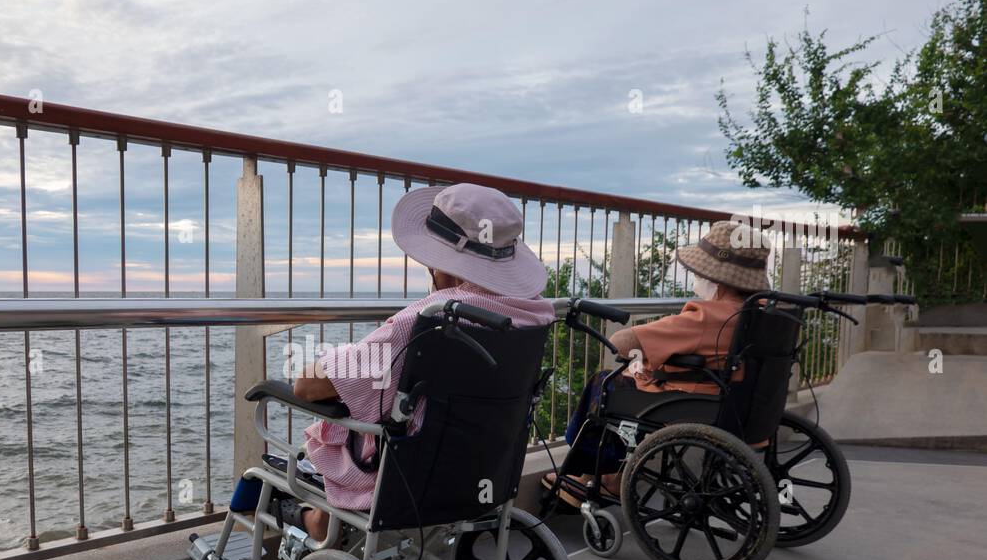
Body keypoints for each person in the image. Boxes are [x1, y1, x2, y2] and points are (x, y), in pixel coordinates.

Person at [286, 182, 555, 541]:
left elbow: (307, 387)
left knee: (313, 429)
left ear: (437, 262)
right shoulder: (535, 314)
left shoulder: (424, 321)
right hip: (482, 468)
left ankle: (318, 523)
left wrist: (333, 357)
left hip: (411, 475)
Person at [543, 218, 773, 505]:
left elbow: (623, 342)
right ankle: (611, 475)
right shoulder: (764, 315)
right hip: (743, 406)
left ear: (715, 279)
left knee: (604, 383)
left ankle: (591, 475)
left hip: (694, 406)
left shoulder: (707, 318)